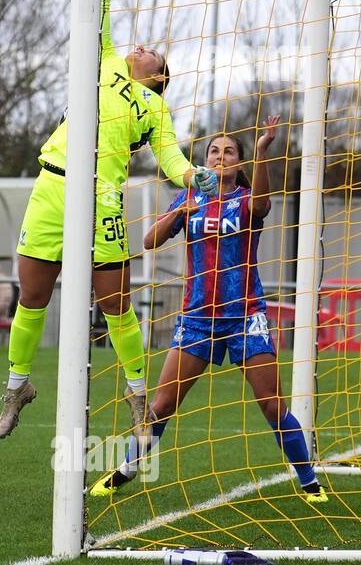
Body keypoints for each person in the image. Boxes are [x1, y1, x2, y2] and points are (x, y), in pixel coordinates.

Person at [0, 0, 219, 441]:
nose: (140, 47)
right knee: (31, 297)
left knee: (115, 303)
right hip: (53, 185)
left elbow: (173, 162)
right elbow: (98, 8)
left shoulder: (155, 111)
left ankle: (138, 393)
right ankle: (18, 385)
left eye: (151, 52)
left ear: (158, 76)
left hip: (102, 199)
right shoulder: (107, 59)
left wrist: (197, 177)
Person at [90, 118, 328, 503]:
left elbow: (265, 205)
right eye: (213, 152)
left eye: (228, 151)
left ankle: (309, 481)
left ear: (239, 161)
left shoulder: (248, 197)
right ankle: (125, 469)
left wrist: (264, 150)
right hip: (197, 318)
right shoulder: (189, 199)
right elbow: (149, 241)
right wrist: (179, 210)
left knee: (272, 403)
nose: (220, 157)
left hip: (245, 316)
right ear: (203, 162)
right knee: (162, 404)